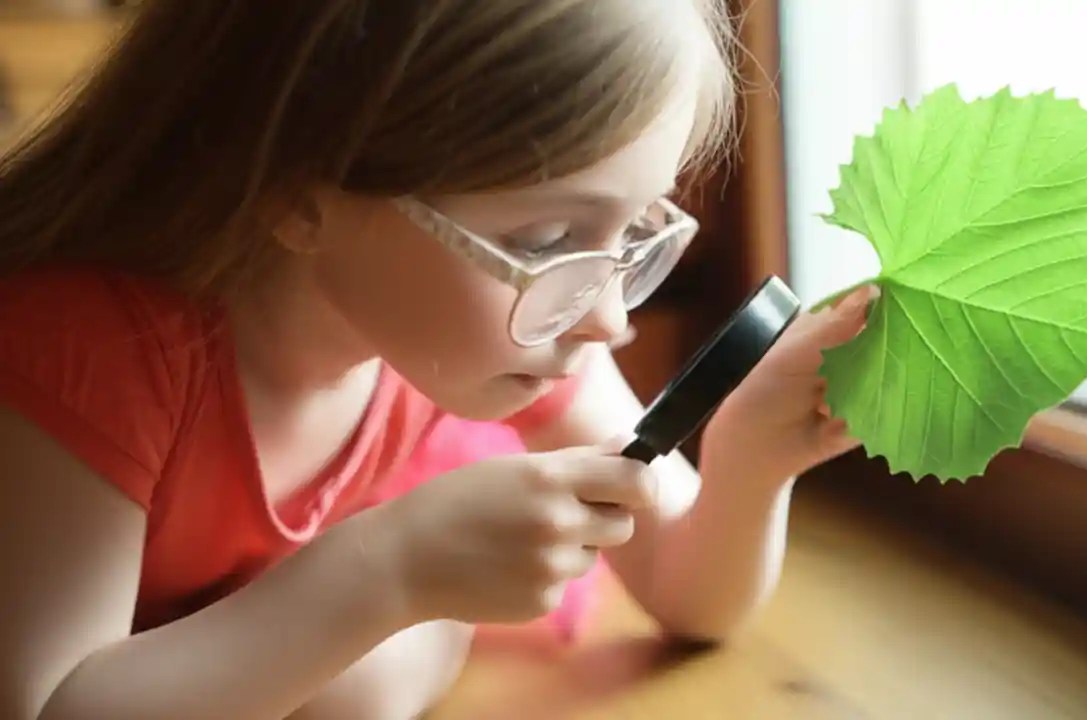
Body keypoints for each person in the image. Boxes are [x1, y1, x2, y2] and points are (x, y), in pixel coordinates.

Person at [0, 1, 874, 718]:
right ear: (298, 199)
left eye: (638, 228)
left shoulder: (491, 333)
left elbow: (690, 596)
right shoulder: (92, 349)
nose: (608, 319)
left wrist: (751, 459)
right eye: (546, 240)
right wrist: (390, 570)